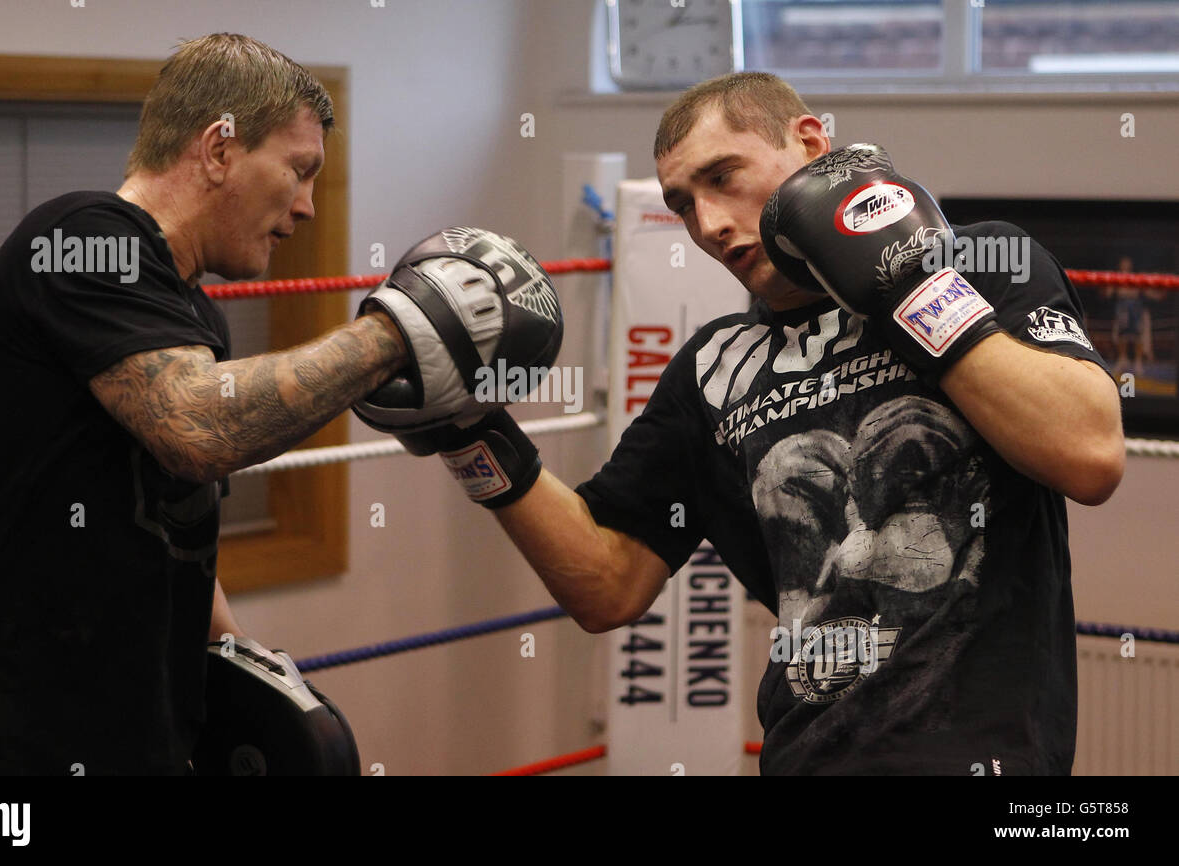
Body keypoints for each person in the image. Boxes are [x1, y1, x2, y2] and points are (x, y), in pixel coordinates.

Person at [380, 73, 1126, 775]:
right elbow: (607, 586)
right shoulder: (712, 370)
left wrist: (907, 290)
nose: (707, 225)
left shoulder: (978, 266)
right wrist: (472, 434)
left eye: (722, 178)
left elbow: (1089, 456)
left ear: (810, 143)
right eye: (681, 203)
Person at [0, 33, 518, 775]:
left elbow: (178, 521)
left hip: (120, 737)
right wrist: (401, 332)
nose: (309, 206)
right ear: (219, 147)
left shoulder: (192, 319)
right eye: (300, 170)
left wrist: (237, 662)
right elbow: (201, 428)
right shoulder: (82, 239)